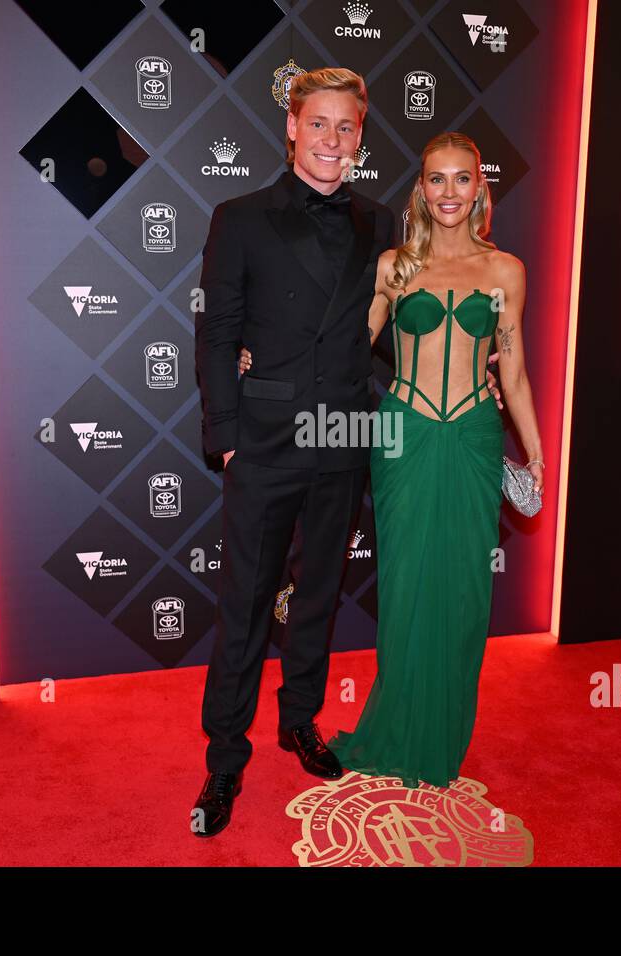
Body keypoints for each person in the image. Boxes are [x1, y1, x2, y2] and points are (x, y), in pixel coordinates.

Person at [239, 131, 545, 789]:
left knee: (464, 595)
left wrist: (537, 451)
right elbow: (343, 347)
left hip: (473, 438)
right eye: (437, 180)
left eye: (463, 179)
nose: (449, 193)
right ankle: (396, 727)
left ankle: (442, 736)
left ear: (480, 189)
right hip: (403, 436)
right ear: (421, 190)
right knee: (406, 590)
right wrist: (260, 354)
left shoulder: (506, 271)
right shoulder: (393, 268)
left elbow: (513, 370)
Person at [191, 67, 399, 838]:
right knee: (245, 603)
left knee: (316, 596)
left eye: (346, 128)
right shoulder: (239, 216)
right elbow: (216, 333)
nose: (332, 141)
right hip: (268, 440)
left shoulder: (379, 223)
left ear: (361, 138)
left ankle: (301, 720)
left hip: (343, 435)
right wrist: (227, 440)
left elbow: (383, 332)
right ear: (291, 127)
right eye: (319, 124)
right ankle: (222, 757)